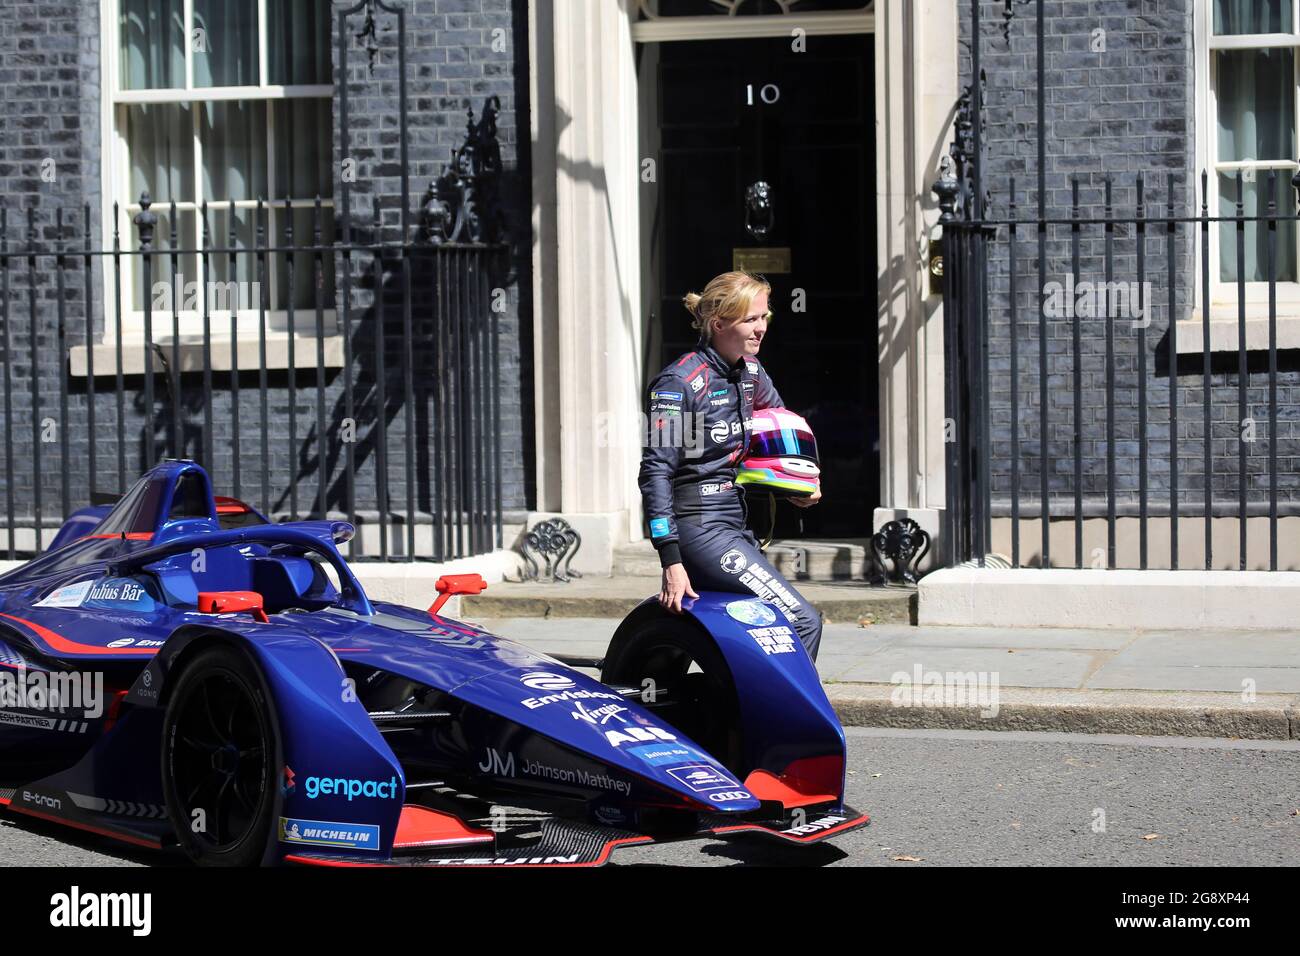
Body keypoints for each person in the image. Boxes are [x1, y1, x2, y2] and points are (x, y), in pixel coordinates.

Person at [638, 271, 824, 661]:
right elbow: (655, 473)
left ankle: (738, 715)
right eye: (750, 319)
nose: (761, 329)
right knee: (800, 619)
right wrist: (671, 561)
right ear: (719, 323)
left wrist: (801, 483)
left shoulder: (751, 371)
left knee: (755, 631)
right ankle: (784, 721)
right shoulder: (679, 383)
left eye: (764, 318)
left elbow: (779, 423)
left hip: (737, 524)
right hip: (699, 527)